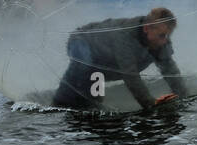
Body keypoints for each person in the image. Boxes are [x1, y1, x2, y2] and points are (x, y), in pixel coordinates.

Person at [52, 8, 188, 110]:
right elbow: (130, 75)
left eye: (168, 36)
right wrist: (151, 104)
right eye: (162, 36)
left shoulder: (159, 39)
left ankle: (87, 100)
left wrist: (184, 98)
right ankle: (58, 102)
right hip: (82, 40)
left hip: (104, 62)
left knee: (94, 100)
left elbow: (169, 68)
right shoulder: (125, 37)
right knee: (84, 63)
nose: (165, 41)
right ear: (147, 28)